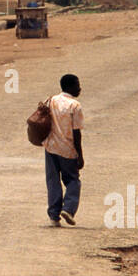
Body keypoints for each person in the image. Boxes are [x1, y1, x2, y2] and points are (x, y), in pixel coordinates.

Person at [43, 74, 85, 226]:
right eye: (77, 85)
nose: (80, 88)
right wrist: (80, 155)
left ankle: (54, 216)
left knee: (53, 181)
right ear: (69, 87)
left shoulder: (52, 100)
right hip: (67, 149)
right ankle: (68, 208)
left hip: (51, 147)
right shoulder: (75, 106)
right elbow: (76, 132)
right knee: (73, 180)